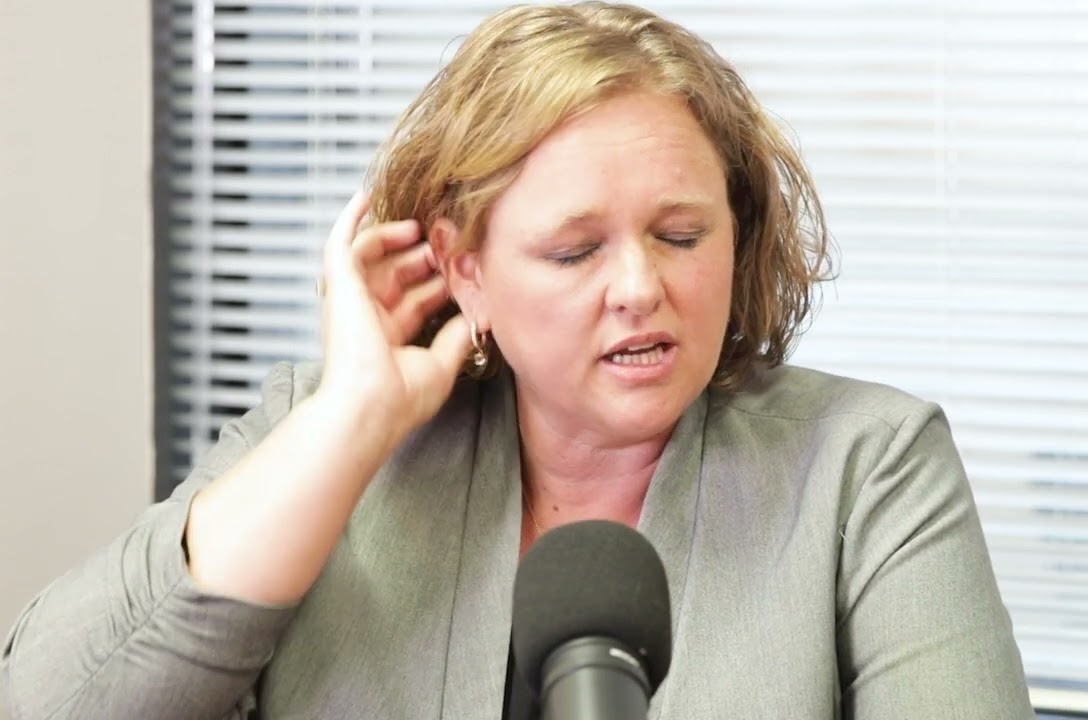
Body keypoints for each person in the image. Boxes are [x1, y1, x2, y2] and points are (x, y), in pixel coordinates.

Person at [1, 2, 1034, 718]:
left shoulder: (867, 463)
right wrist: (349, 423)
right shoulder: (324, 442)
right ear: (465, 269)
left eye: (681, 235)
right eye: (574, 251)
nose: (639, 286)